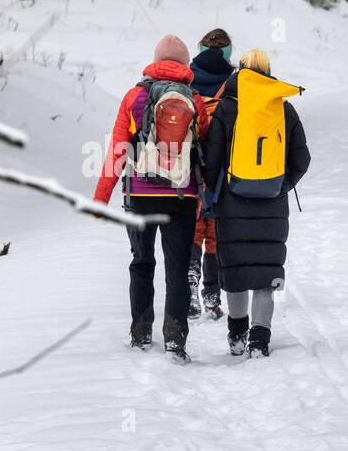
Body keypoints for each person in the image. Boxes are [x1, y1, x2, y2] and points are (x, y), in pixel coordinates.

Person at [94, 34, 211, 361]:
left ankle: (141, 332)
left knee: (142, 263)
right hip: (181, 197)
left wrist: (101, 198)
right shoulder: (195, 101)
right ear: (186, 65)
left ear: (155, 61)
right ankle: (175, 340)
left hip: (140, 197)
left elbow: (117, 150)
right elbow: (202, 149)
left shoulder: (134, 97)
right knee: (176, 269)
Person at [201, 48, 311, 358]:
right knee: (266, 270)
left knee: (237, 267)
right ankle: (260, 339)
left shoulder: (226, 109)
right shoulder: (284, 109)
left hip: (231, 204)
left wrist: (216, 192)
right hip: (272, 205)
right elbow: (302, 160)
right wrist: (280, 186)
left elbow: (212, 161)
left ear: (240, 72)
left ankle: (237, 333)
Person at [188, 28, 235, 321]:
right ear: (228, 52)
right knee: (215, 234)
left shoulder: (187, 77)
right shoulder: (233, 82)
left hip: (190, 165)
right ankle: (212, 296)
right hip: (223, 167)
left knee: (193, 229)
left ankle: (189, 285)